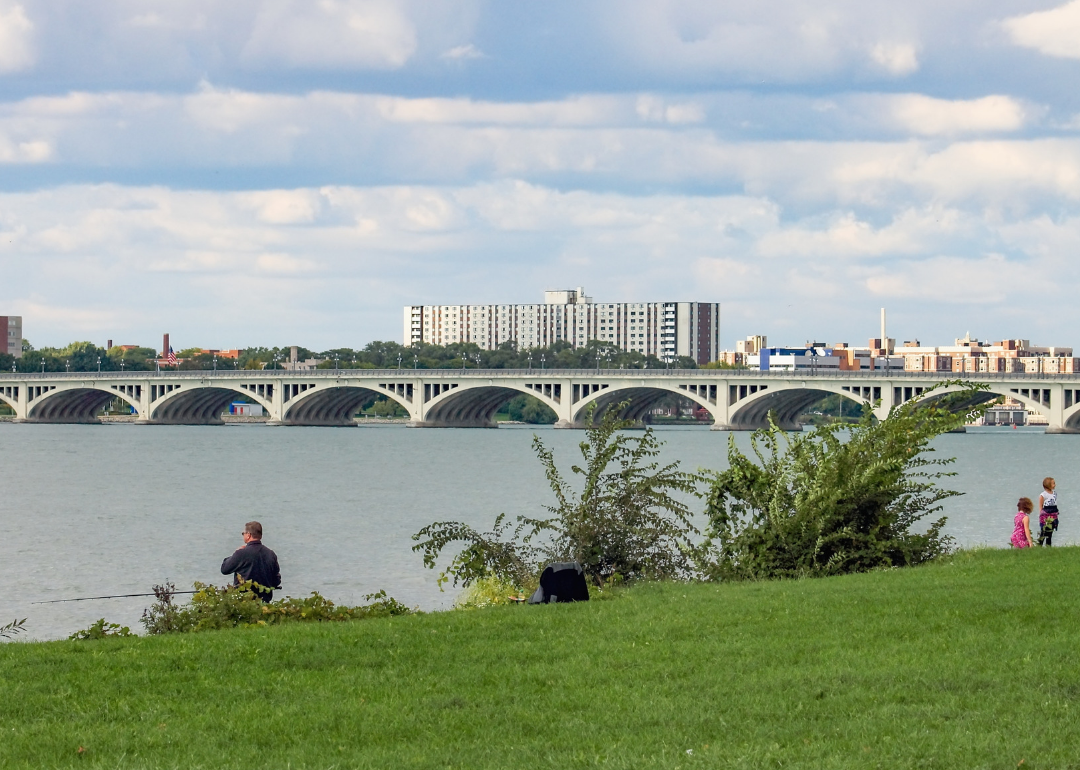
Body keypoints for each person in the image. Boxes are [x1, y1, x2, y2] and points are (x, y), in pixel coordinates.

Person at [220, 521, 281, 602]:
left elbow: (224, 569)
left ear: (248, 535)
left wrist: (235, 553)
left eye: (243, 533)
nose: (243, 535)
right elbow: (276, 580)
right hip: (264, 602)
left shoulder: (241, 553)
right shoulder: (271, 554)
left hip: (244, 602)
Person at [1037, 477, 1059, 547]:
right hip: (1046, 514)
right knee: (1044, 531)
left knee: (1050, 531)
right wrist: (1041, 515)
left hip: (1053, 514)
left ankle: (1048, 545)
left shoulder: (1055, 493)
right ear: (1048, 485)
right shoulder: (1043, 495)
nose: (1055, 485)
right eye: (1053, 483)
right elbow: (1041, 506)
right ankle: (1039, 545)